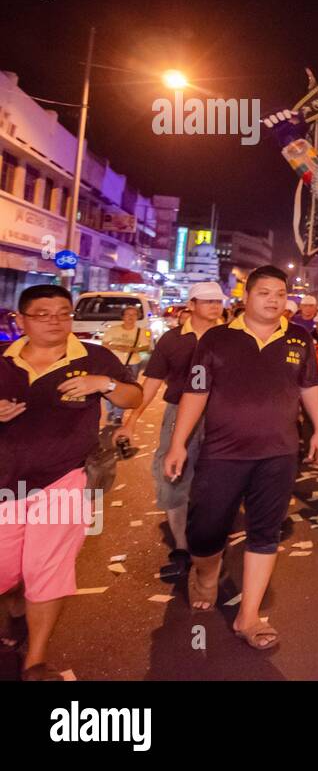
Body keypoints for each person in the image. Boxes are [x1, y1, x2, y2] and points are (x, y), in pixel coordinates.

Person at [163, 265, 318, 650]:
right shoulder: (217, 340)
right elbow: (196, 393)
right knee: (205, 532)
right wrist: (178, 443)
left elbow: (309, 386)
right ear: (246, 297)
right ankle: (206, 572)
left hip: (279, 454)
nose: (274, 300)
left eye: (280, 293)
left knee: (265, 532)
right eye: (264, 293)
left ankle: (248, 615)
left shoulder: (300, 339)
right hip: (222, 454)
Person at [0, 284, 142, 680]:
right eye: (43, 314)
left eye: (63, 313)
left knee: (47, 566)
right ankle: (15, 612)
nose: (55, 321)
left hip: (65, 479)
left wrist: (106, 385)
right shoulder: (2, 360)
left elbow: (134, 397)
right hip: (5, 484)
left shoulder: (94, 357)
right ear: (21, 319)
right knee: (8, 568)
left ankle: (35, 662)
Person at [114, 281, 224, 581]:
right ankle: (182, 547)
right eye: (208, 301)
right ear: (192, 304)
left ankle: (209, 545)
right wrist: (131, 420)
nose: (215, 306)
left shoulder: (231, 338)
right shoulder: (172, 341)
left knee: (216, 481)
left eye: (218, 301)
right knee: (173, 477)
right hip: (178, 415)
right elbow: (150, 382)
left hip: (221, 416)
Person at [99, 304, 153, 424]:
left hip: (132, 363)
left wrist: (134, 349)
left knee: (125, 390)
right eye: (128, 314)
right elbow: (104, 344)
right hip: (113, 363)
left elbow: (146, 347)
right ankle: (110, 410)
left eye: (134, 315)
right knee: (110, 387)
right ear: (123, 316)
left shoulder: (141, 332)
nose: (131, 317)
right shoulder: (113, 330)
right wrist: (117, 346)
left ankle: (118, 415)